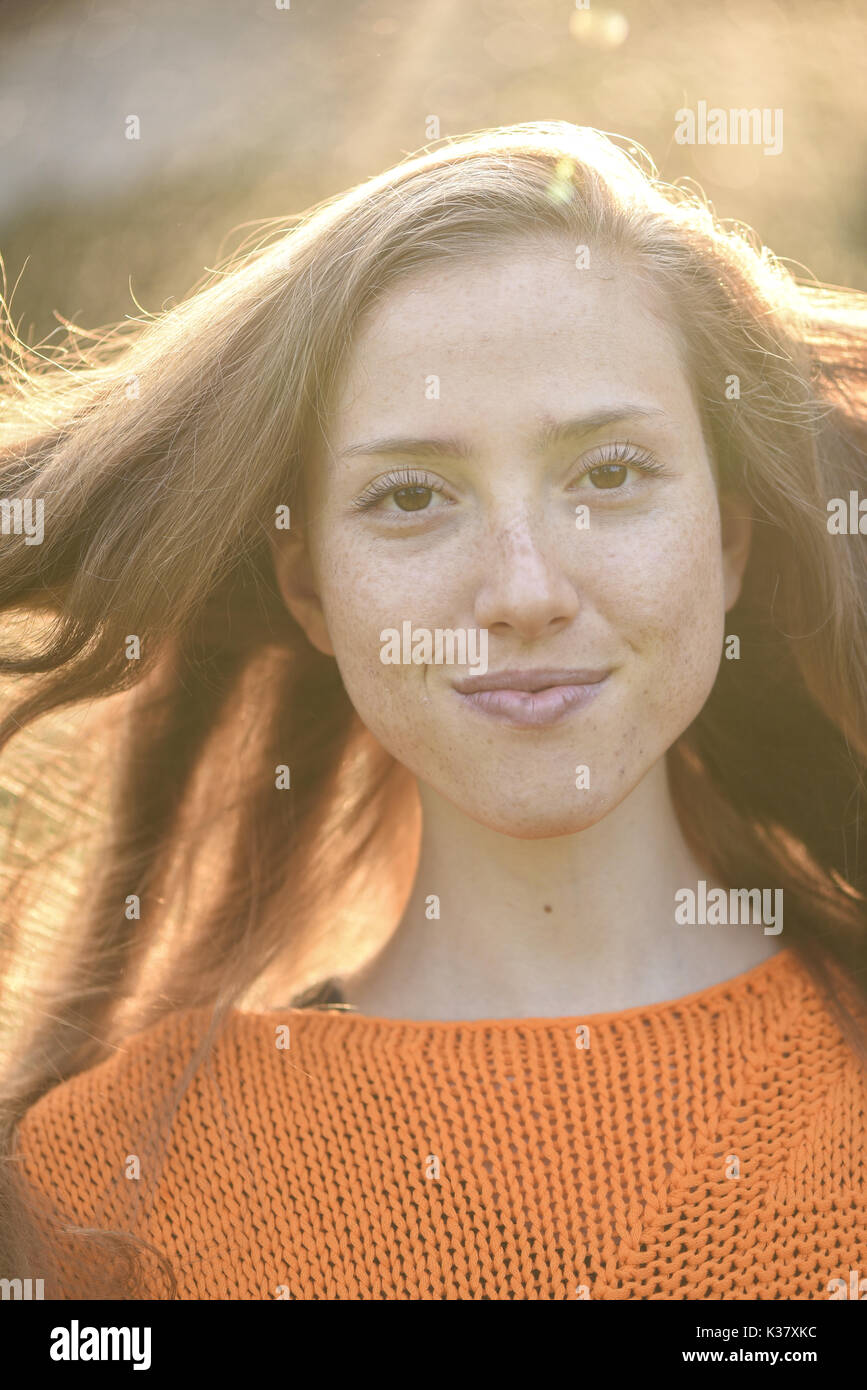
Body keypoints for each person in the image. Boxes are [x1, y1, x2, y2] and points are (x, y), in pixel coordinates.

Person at [1, 121, 865, 1300]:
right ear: (309, 585)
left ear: (724, 538)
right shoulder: (107, 1190)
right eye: (412, 495)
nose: (523, 591)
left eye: (609, 473)